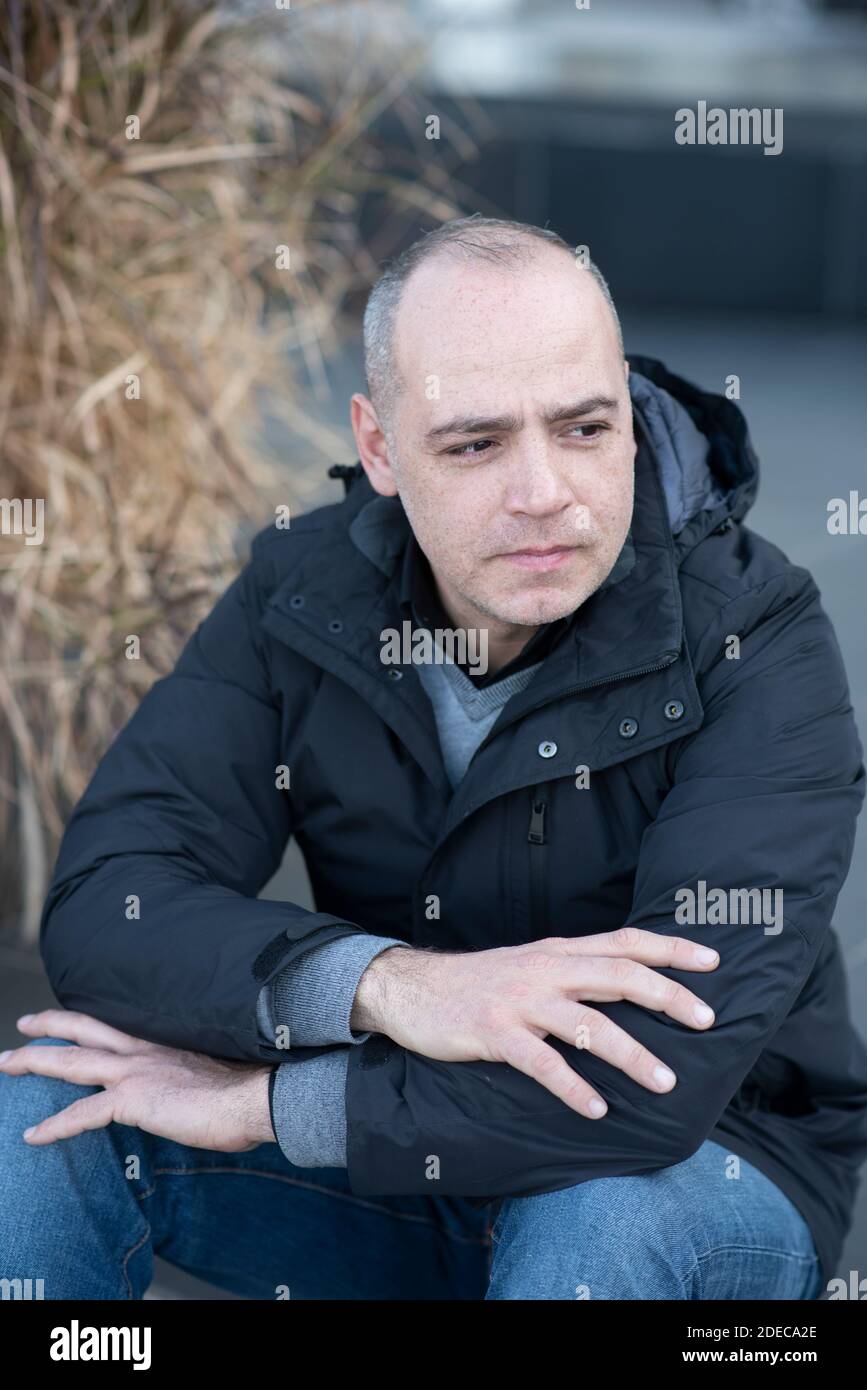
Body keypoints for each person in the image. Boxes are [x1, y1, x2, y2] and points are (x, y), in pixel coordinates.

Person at [2, 215, 865, 1301]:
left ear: (630, 429)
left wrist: (265, 1105)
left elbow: (656, 1085)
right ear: (379, 447)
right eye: (475, 444)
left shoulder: (758, 635)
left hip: (695, 1166)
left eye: (584, 428)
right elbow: (107, 902)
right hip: (392, 1154)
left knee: (595, 1222)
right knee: (50, 1113)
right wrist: (385, 986)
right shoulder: (301, 595)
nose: (544, 490)